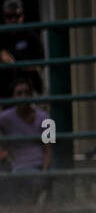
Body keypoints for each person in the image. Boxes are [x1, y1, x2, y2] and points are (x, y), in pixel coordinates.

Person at [0, 74, 52, 203]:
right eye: (19, 93)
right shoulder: (5, 118)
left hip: (38, 167)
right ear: (13, 97)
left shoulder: (45, 118)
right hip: (16, 168)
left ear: (32, 95)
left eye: (27, 93)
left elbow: (49, 151)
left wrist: (44, 174)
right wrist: (5, 152)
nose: (23, 96)